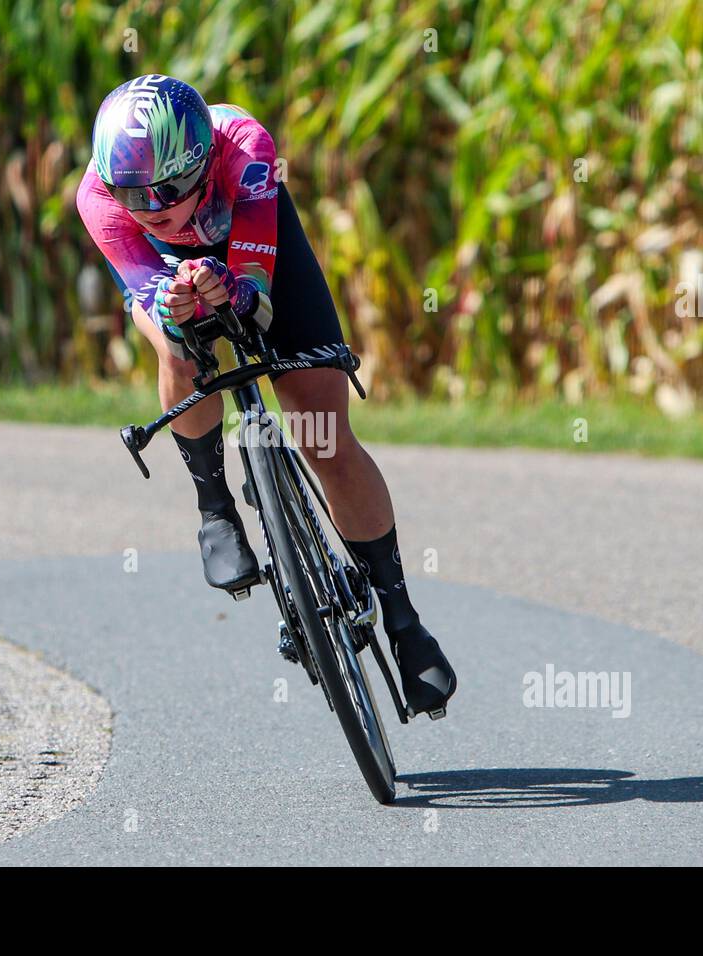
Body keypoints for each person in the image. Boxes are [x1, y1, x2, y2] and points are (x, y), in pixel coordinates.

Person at [77, 73, 456, 716]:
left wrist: (240, 289)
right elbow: (143, 290)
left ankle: (401, 616)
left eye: (166, 190)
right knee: (177, 346)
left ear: (198, 163)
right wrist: (176, 307)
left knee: (323, 436)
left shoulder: (245, 147)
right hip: (171, 276)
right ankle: (216, 508)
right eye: (132, 195)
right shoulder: (99, 195)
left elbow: (256, 281)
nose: (149, 207)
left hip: (256, 249)